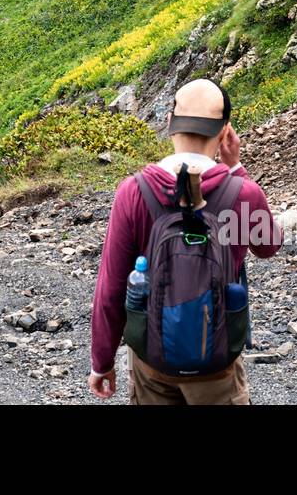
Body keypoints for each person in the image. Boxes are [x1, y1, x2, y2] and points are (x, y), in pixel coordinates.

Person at [88, 78, 281, 404]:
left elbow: (110, 287)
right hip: (217, 358)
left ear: (168, 123)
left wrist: (102, 362)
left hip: (153, 359)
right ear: (225, 132)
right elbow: (267, 247)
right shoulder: (241, 194)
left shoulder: (134, 192)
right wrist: (236, 169)